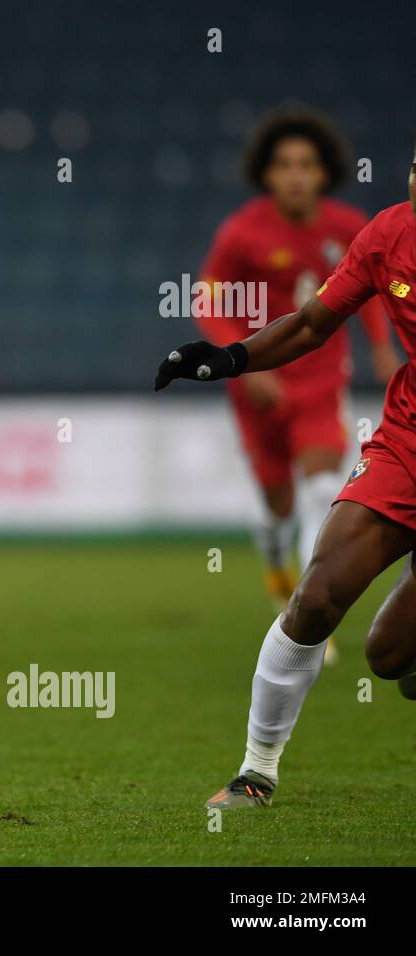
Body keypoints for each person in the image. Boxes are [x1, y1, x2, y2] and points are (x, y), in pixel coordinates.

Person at [155, 148, 416, 808]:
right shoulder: (387, 233)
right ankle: (257, 772)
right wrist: (230, 358)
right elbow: (309, 323)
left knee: (390, 656)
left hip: (322, 399)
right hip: (406, 444)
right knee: (318, 597)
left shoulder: (346, 224)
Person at [193, 109, 397, 665]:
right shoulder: (242, 232)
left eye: (307, 164)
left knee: (320, 491)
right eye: (284, 165)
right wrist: (245, 365)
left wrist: (380, 346)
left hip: (320, 382)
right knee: (278, 508)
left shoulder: (350, 226)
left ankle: (309, 617)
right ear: (267, 173)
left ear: (325, 171)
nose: (296, 175)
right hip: (258, 390)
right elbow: (208, 300)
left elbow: (371, 288)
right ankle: (275, 561)